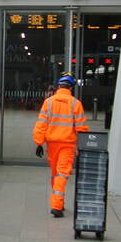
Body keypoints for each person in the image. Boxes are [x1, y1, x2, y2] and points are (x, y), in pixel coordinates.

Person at [33, 74, 88, 218]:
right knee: (62, 174)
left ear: (59, 86)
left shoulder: (48, 102)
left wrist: (39, 143)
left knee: (55, 174)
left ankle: (59, 202)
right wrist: (82, 145)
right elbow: (81, 128)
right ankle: (57, 206)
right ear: (70, 88)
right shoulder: (76, 104)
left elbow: (41, 124)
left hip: (52, 144)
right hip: (68, 144)